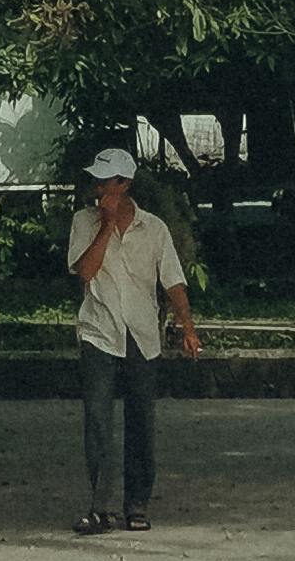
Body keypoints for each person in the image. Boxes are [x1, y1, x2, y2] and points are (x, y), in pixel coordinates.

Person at [67, 144, 201, 533]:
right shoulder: (83, 221)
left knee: (141, 420)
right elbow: (85, 272)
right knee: (98, 420)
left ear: (123, 184)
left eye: (105, 181)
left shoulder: (154, 228)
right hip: (99, 330)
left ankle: (137, 502)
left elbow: (173, 281)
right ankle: (100, 505)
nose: (97, 188)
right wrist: (106, 226)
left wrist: (188, 328)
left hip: (142, 333)